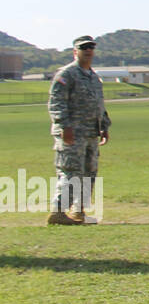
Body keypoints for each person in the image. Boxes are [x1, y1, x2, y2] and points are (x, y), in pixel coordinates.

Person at [46, 35, 110, 225]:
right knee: (71, 172)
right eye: (84, 48)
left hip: (90, 133)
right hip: (72, 134)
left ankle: (78, 211)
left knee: (89, 173)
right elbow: (56, 103)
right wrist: (65, 126)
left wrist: (104, 126)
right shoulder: (66, 74)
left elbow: (99, 104)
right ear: (75, 52)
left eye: (91, 47)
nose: (88, 50)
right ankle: (58, 211)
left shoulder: (93, 76)